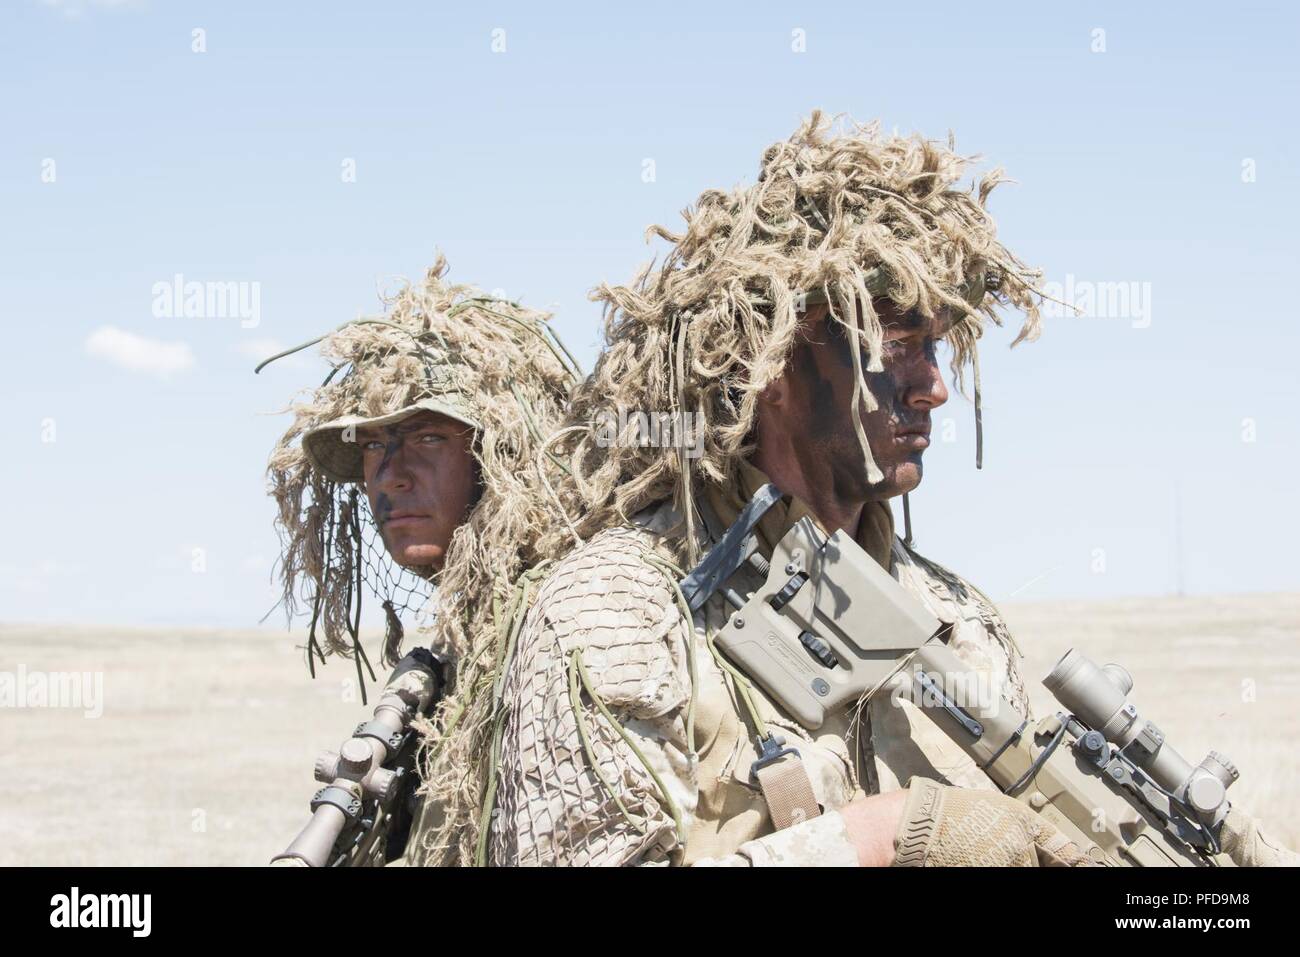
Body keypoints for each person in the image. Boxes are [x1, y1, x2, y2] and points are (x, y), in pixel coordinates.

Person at [421, 113, 1296, 866]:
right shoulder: (615, 612)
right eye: (898, 341)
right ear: (770, 360)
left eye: (939, 343)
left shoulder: (955, 620)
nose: (934, 386)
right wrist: (884, 835)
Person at [263, 255, 576, 864]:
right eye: (375, 444)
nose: (392, 476)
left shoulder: (563, 625)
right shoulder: (476, 636)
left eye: (430, 438)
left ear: (504, 456)